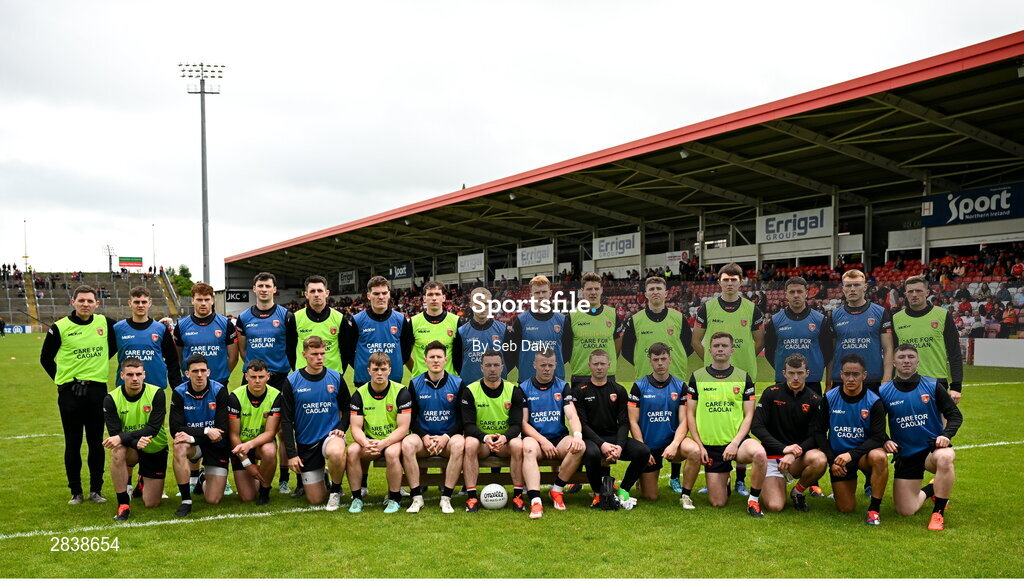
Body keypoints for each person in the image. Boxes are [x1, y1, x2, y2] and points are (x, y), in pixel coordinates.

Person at [691, 263, 765, 496]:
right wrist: (712, 362)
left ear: (741, 282)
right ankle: (712, 473)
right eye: (726, 279)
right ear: (719, 282)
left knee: (741, 425)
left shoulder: (753, 309)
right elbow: (696, 341)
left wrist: (738, 364)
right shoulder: (707, 308)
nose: (730, 283)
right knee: (711, 422)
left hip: (742, 376)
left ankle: (741, 479)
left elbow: (759, 341)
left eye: (734, 279)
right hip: (711, 377)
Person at [40, 284, 117, 505]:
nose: (85, 304)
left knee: (96, 443)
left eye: (90, 301)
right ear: (73, 302)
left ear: (97, 304)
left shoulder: (104, 323)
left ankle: (96, 490)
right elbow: (46, 359)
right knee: (72, 443)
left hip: (96, 390)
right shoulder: (59, 327)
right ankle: (76, 491)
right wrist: (62, 381)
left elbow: (113, 346)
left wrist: (99, 361)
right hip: (70, 392)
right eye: (81, 300)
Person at [619, 275, 694, 492]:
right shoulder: (636, 319)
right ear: (645, 294)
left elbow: (687, 346)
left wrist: (672, 365)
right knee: (649, 424)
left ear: (666, 293)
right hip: (646, 382)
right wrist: (646, 365)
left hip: (675, 381)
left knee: (675, 426)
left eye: (659, 288)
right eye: (651, 288)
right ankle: (647, 459)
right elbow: (627, 349)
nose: (655, 292)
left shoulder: (679, 318)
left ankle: (674, 476)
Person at [683, 332, 767, 517]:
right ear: (710, 350)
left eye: (724, 346)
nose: (720, 349)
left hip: (737, 444)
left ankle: (753, 500)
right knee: (718, 503)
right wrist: (699, 444)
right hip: (711, 446)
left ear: (731, 350)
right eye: (716, 346)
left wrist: (735, 442)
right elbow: (690, 413)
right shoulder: (697, 377)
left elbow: (749, 414)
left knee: (760, 453)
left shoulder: (743, 377)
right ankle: (726, 481)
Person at [879, 344, 962, 531]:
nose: (906, 361)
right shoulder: (884, 391)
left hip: (931, 451)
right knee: (905, 511)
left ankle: (938, 512)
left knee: (946, 457)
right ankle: (932, 488)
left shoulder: (933, 386)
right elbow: (874, 423)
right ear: (894, 362)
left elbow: (955, 415)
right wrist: (885, 439)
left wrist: (946, 435)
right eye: (901, 357)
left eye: (910, 357)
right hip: (906, 454)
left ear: (917, 361)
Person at [236, 272, 298, 494]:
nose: (263, 289)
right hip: (255, 378)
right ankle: (253, 468)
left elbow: (292, 346)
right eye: (260, 285)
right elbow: (243, 349)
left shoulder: (285, 315)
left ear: (274, 290)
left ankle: (283, 478)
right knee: (252, 423)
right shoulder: (243, 317)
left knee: (282, 429)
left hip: (280, 377)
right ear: (254, 289)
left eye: (268, 286)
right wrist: (256, 371)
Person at [815, 353, 889, 525]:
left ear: (864, 375)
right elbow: (819, 432)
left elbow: (878, 437)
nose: (850, 378)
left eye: (855, 374)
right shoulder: (830, 398)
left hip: (862, 456)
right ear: (840, 374)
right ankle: (848, 486)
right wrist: (833, 461)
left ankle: (874, 510)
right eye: (847, 374)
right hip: (840, 461)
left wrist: (851, 454)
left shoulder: (874, 401)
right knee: (846, 508)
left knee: (879, 457)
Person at [572, 349, 650, 508]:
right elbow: (582, 425)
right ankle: (599, 492)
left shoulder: (619, 390)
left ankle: (624, 489)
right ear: (589, 366)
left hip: (614, 438)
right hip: (592, 439)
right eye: (595, 364)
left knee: (643, 451)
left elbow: (623, 422)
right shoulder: (580, 391)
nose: (599, 367)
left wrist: (620, 446)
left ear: (609, 365)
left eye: (602, 364)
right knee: (593, 453)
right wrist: (602, 444)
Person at [750, 354, 827, 513]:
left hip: (796, 460)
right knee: (775, 506)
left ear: (807, 373)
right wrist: (783, 449)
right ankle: (773, 483)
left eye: (800, 373)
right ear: (784, 373)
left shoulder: (815, 400)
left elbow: (817, 436)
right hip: (772, 460)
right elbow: (757, 426)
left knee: (819, 459)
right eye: (791, 373)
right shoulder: (771, 393)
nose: (796, 377)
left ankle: (798, 492)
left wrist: (794, 453)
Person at [280, 336, 350, 510]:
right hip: (306, 443)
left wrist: (341, 428)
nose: (319, 358)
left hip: (330, 437)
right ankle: (324, 475)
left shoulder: (336, 378)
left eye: (322, 354)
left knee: (335, 452)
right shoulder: (292, 381)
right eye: (314, 354)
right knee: (315, 499)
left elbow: (348, 409)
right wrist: (291, 454)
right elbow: (286, 420)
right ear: (304, 354)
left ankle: (335, 490)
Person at [624, 343, 698, 506]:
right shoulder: (639, 387)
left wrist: (674, 444)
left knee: (694, 451)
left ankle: (685, 495)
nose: (660, 363)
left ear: (670, 360)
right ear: (650, 361)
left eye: (663, 359)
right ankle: (640, 477)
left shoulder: (680, 386)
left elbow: (684, 420)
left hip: (672, 443)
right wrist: (643, 450)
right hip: (649, 446)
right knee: (650, 496)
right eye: (656, 359)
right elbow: (633, 422)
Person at [519, 349, 586, 519]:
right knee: (527, 448)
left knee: (580, 446)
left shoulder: (562, 386)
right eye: (543, 365)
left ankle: (556, 489)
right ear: (535, 365)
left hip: (558, 438)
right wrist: (542, 441)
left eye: (550, 365)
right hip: (536, 438)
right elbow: (524, 423)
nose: (547, 369)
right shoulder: (524, 387)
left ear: (556, 365)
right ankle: (535, 501)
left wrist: (577, 435)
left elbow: (572, 415)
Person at [402, 340, 465, 514]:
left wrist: (446, 437)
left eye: (439, 357)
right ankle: (416, 497)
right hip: (425, 440)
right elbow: (411, 418)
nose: (435, 360)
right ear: (425, 360)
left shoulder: (458, 383)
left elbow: (463, 418)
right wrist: (423, 436)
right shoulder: (415, 383)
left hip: (448, 439)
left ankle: (446, 498)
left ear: (446, 359)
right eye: (432, 357)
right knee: (407, 444)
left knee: (460, 444)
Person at [102, 358, 168, 521]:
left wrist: (124, 438)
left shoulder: (157, 393)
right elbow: (115, 432)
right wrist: (133, 442)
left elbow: (153, 427)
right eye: (130, 374)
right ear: (122, 375)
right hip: (131, 448)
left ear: (144, 375)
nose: (135, 378)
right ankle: (123, 503)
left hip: (155, 446)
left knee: (151, 503)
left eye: (138, 374)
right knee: (117, 451)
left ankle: (141, 482)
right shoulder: (111, 399)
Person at [347, 352, 412, 513]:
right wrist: (365, 442)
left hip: (393, 440)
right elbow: (355, 427)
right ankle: (357, 497)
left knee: (391, 453)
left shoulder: (401, 392)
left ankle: (394, 498)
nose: (379, 373)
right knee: (352, 451)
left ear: (390, 370)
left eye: (383, 369)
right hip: (370, 441)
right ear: (368, 370)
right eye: (375, 369)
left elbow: (403, 428)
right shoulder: (359, 394)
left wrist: (384, 442)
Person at [461, 350, 525, 512]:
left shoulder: (513, 390)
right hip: (482, 442)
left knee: (518, 444)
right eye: (488, 365)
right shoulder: (470, 390)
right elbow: (468, 425)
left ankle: (518, 496)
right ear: (481, 368)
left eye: (496, 365)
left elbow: (517, 424)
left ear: (502, 367)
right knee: (469, 444)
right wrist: (485, 437)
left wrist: (504, 437)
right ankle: (472, 497)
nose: (492, 369)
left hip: (505, 443)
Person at [169, 354, 230, 517]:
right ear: (187, 374)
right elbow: (175, 429)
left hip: (216, 445)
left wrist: (193, 437)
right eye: (195, 371)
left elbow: (222, 430)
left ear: (209, 372)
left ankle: (202, 478)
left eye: (203, 370)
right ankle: (186, 501)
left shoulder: (219, 391)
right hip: (196, 444)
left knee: (213, 499)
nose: (199, 375)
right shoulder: (179, 392)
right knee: (179, 445)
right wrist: (205, 431)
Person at [893, 276, 964, 404]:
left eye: (918, 291)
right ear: (905, 295)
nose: (914, 294)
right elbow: (890, 354)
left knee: (938, 424)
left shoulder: (942, 315)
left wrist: (956, 386)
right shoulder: (896, 319)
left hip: (936, 381)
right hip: (905, 382)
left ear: (927, 293)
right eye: (910, 291)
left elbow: (954, 352)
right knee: (906, 423)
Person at [764, 277, 834, 395]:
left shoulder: (820, 320)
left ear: (806, 293)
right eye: (792, 292)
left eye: (800, 291)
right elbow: (769, 352)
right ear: (786, 294)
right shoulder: (775, 321)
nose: (796, 295)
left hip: (812, 382)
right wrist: (785, 371)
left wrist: (815, 368)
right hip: (783, 381)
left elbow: (828, 352)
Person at [226, 359, 280, 505]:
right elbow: (233, 435)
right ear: (246, 377)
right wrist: (247, 463)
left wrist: (250, 444)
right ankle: (202, 477)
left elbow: (270, 433)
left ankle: (265, 490)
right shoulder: (235, 397)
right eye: (253, 377)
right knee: (247, 497)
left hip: (259, 444)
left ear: (268, 376)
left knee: (269, 451)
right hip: (240, 447)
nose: (257, 381)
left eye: (261, 377)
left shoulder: (275, 396)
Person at [830, 269, 893, 393]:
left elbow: (888, 348)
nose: (852, 289)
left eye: (857, 285)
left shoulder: (880, 313)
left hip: (871, 380)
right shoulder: (834, 315)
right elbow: (831, 352)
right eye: (848, 285)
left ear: (865, 287)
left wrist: (886, 379)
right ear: (843, 289)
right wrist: (828, 382)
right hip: (841, 380)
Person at [343, 275, 413, 387]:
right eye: (376, 293)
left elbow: (406, 351)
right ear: (369, 295)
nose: (381, 297)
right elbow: (349, 352)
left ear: (389, 294)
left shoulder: (400, 319)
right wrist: (362, 366)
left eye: (384, 293)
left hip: (393, 378)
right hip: (364, 379)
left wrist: (394, 366)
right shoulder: (357, 320)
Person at [114, 286, 180, 389]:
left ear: (150, 303)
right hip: (126, 388)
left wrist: (176, 388)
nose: (140, 305)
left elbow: (172, 361)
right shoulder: (118, 329)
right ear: (129, 303)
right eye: (136, 302)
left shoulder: (161, 329)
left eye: (144, 302)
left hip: (155, 388)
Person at [563, 272, 622, 386]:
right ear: (582, 291)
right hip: (581, 375)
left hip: (607, 376)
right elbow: (566, 346)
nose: (593, 292)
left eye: (596, 289)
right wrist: (576, 361)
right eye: (589, 289)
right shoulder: (572, 315)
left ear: (601, 290)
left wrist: (609, 359)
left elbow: (617, 341)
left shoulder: (612, 314)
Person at [174, 282, 238, 388]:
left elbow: (234, 358)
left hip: (219, 383)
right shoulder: (181, 325)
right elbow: (179, 358)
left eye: (207, 299)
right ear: (192, 300)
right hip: (191, 384)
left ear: (212, 300)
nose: (203, 303)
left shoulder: (226, 324)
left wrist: (222, 375)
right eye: (199, 299)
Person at [506, 275, 566, 382]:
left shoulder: (562, 320)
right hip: (527, 379)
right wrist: (526, 367)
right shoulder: (521, 320)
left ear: (550, 293)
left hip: (556, 379)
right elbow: (513, 351)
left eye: (544, 292)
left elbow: (567, 351)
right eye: (537, 293)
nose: (541, 296)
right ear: (531, 295)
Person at [455, 287, 511, 385]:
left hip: (498, 386)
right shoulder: (461, 331)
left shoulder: (503, 329)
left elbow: (511, 358)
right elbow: (457, 361)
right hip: (470, 386)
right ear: (471, 305)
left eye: (485, 303)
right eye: (477, 303)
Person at [294, 275, 345, 375]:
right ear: (306, 294)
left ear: (327, 293)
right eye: (312, 291)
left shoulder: (339, 318)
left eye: (320, 290)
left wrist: (339, 374)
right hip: (303, 376)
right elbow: (290, 349)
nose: (316, 294)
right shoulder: (295, 318)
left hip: (333, 375)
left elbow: (346, 351)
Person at [408, 281, 461, 377]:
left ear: (444, 297)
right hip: (420, 384)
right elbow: (406, 355)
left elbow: (461, 355)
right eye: (430, 295)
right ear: (424, 298)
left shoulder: (455, 321)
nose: (434, 298)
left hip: (449, 383)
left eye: (437, 294)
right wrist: (417, 373)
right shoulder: (414, 322)